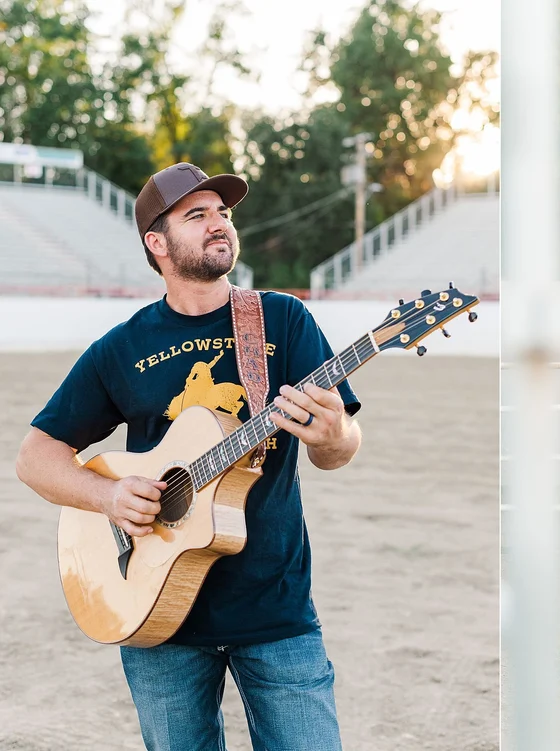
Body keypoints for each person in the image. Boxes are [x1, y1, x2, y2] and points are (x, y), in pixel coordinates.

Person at [15, 162, 363, 750]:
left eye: (222, 213)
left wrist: (333, 437)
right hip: (156, 616)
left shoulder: (281, 319)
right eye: (196, 215)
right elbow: (34, 458)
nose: (218, 224)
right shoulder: (121, 349)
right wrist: (109, 495)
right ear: (158, 243)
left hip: (276, 613)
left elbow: (337, 451)